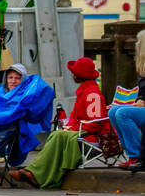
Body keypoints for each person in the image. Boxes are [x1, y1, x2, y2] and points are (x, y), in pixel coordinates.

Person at [9, 57, 106, 188]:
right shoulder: (84, 91)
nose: (72, 75)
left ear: (78, 75)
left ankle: (34, 172)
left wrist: (70, 128)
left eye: (74, 73)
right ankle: (34, 172)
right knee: (57, 133)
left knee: (58, 135)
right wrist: (66, 124)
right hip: (82, 133)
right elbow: (77, 119)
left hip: (92, 138)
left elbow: (94, 124)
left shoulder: (91, 94)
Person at [108, 33, 145, 171]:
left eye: (138, 42)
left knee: (123, 114)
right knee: (113, 111)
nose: (135, 45)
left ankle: (138, 155)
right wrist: (140, 100)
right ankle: (132, 155)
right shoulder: (142, 69)